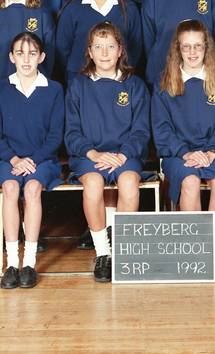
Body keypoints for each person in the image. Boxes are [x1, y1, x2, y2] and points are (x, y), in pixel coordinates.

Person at [64, 22, 150, 282]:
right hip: (90, 156)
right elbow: (72, 132)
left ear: (120, 50)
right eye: (98, 47)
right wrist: (93, 154)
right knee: (92, 183)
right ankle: (103, 253)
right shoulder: (78, 85)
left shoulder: (134, 85)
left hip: (125, 155)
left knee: (128, 183)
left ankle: (121, 253)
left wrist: (123, 155)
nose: (104, 53)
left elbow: (141, 131)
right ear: (89, 52)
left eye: (110, 46)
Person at [152, 20, 215, 282]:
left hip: (214, 151)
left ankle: (212, 251)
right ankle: (193, 253)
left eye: (198, 46)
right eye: (186, 47)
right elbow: (162, 128)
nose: (192, 52)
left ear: (207, 48)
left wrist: (211, 152)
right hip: (178, 155)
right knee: (189, 181)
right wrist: (185, 153)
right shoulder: (164, 82)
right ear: (177, 49)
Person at [0, 33, 65, 289]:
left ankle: (29, 263)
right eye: (20, 53)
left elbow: (55, 136)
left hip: (42, 160)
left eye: (32, 53)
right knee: (10, 188)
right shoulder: (0, 88)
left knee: (32, 188)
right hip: (9, 159)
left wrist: (32, 160)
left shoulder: (53, 89)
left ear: (41, 57)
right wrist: (13, 159)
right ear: (11, 57)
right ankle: (12, 263)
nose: (26, 59)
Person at [55, 0, 142, 81]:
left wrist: (121, 74)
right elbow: (62, 50)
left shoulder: (129, 9)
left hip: (118, 82)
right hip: (80, 81)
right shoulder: (72, 9)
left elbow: (135, 47)